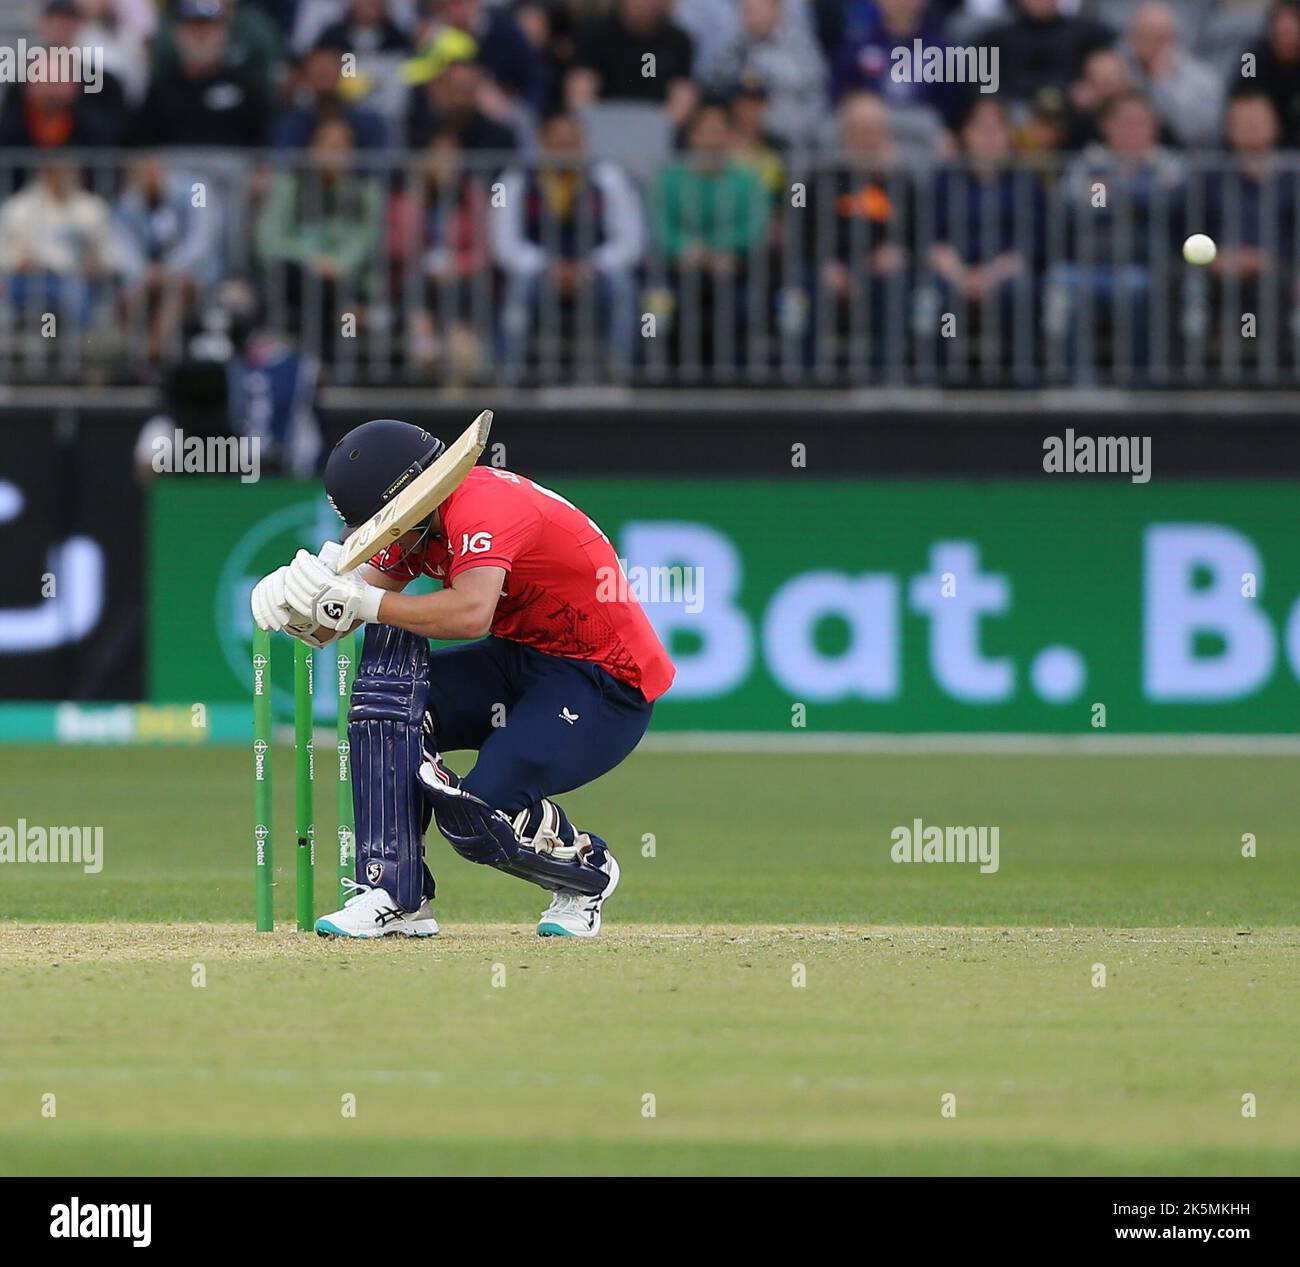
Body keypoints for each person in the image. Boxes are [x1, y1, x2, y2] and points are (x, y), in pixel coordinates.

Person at [250, 417, 675, 938]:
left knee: (478, 815)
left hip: (606, 681)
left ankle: (587, 872)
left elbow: (471, 612)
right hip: (521, 657)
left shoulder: (482, 504)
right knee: (390, 710)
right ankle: (395, 895)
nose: (380, 535)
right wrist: (298, 600)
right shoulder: (415, 518)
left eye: (382, 521)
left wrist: (362, 599)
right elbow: (332, 627)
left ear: (408, 496)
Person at [491, 109, 645, 378]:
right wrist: (548, 267)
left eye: (571, 143)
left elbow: (630, 240)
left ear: (583, 143)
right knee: (517, 292)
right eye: (557, 143)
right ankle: (509, 378)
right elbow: (505, 243)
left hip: (594, 276)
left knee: (623, 288)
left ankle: (619, 373)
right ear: (541, 143)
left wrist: (590, 267)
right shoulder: (515, 181)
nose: (564, 151)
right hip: (539, 276)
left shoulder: (608, 178)